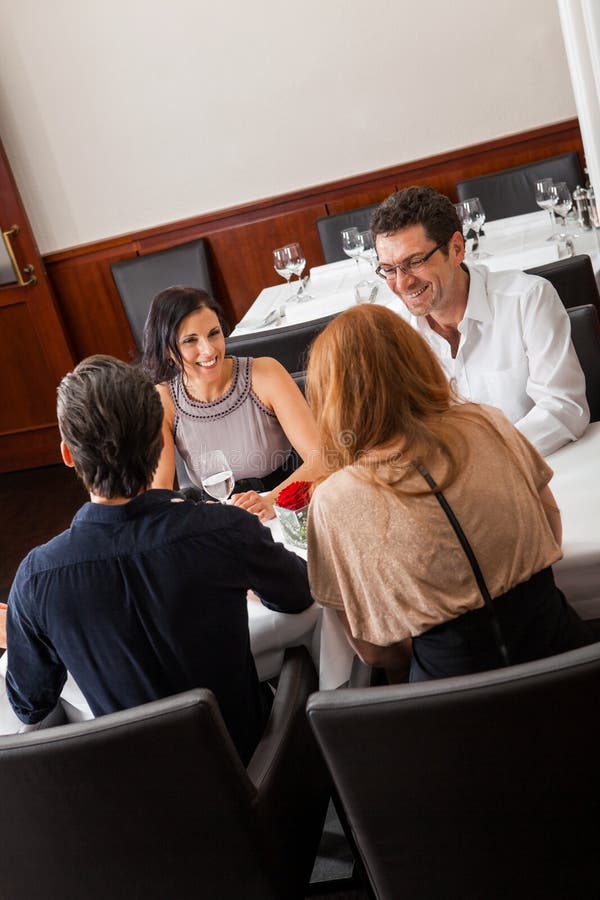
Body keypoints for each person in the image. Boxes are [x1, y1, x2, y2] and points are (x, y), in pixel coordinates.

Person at [4, 355, 313, 764]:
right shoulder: (223, 530)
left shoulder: (37, 580)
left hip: (142, 808)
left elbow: (30, 705)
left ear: (68, 455)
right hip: (260, 775)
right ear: (157, 440)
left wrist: (24, 632)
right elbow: (298, 594)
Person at [306, 305, 593, 683]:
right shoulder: (487, 422)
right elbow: (550, 532)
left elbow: (374, 649)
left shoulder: (332, 501)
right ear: (416, 360)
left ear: (330, 395)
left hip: (452, 711)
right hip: (571, 670)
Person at [370, 186, 590, 457]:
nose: (402, 282)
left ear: (457, 249)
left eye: (414, 262)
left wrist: (480, 460)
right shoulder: (388, 332)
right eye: (389, 269)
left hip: (543, 472)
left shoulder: (527, 299)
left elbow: (565, 408)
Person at [142, 286, 321, 520]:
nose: (208, 350)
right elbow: (159, 496)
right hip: (214, 519)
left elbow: (321, 458)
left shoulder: (265, 373)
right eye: (190, 340)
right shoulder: (163, 400)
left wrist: (271, 500)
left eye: (214, 333)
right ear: (167, 351)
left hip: (286, 508)